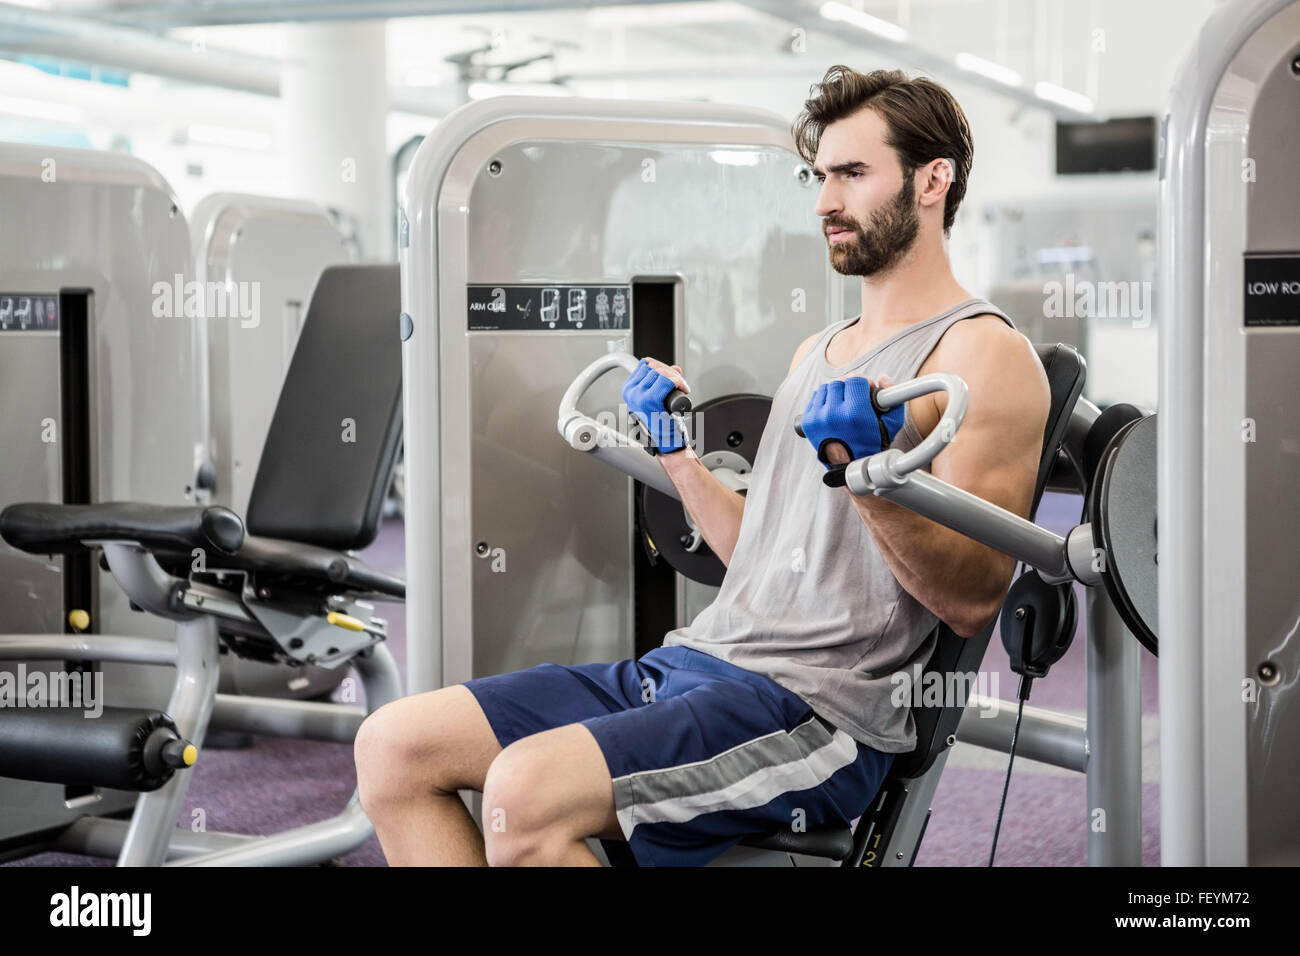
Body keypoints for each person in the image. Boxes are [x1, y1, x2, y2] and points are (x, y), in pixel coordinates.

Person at [354, 65, 1050, 867]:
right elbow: (766, 560)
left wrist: (865, 475)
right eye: (822, 175)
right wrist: (679, 459)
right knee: (395, 748)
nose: (826, 200)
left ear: (934, 180)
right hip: (701, 662)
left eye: (854, 174)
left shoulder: (982, 354)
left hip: (816, 712)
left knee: (524, 796)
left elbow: (972, 598)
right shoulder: (818, 350)